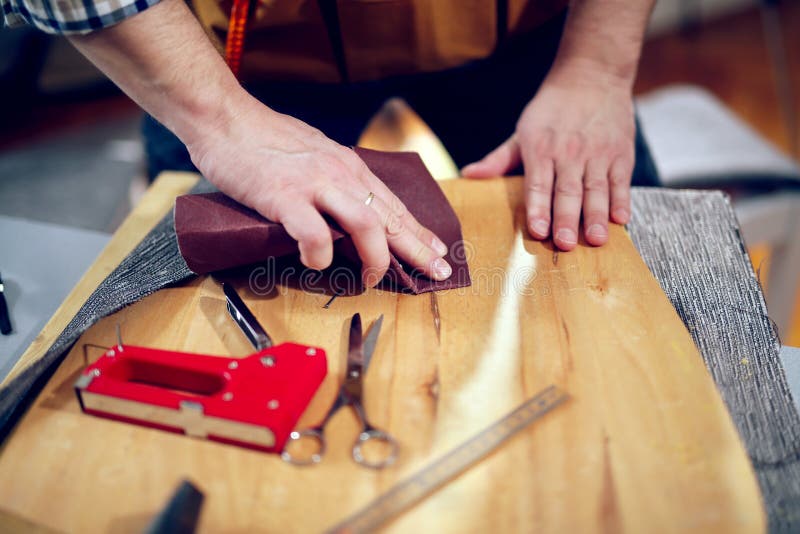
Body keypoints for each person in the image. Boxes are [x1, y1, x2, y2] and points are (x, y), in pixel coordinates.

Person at [2, 0, 658, 287]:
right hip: (237, 58)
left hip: (537, 36)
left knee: (635, 266)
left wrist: (598, 68)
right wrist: (223, 125)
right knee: (192, 292)